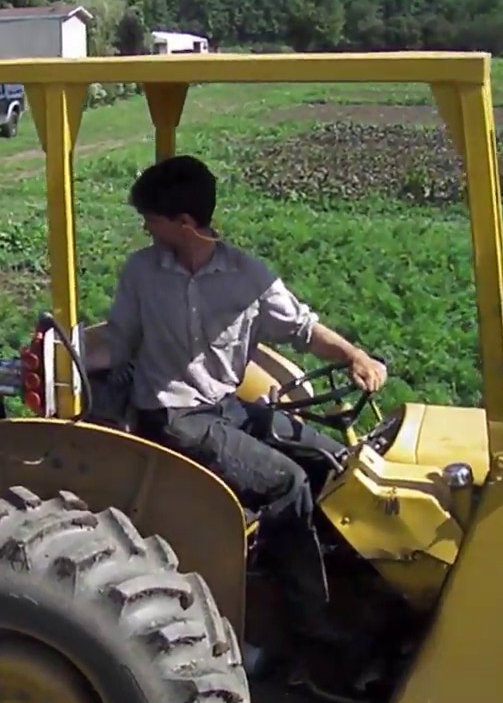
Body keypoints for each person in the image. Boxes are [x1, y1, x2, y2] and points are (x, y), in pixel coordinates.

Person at [102, 154, 388, 652]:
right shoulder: (142, 272)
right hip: (170, 415)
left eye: (151, 218)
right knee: (286, 484)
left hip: (223, 406)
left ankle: (337, 571)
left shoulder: (248, 278)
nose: (145, 226)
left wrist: (354, 355)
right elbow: (120, 339)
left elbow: (303, 329)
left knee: (326, 459)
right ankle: (307, 619)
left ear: (185, 223)